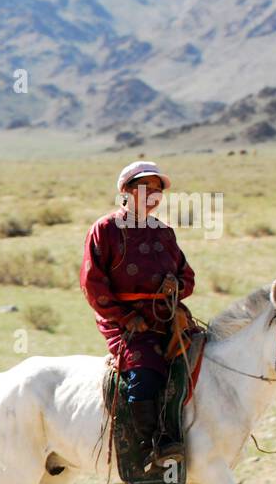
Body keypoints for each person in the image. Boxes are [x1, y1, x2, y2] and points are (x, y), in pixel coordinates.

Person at [80, 160, 196, 468]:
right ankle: (150, 446)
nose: (153, 196)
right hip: (126, 321)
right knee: (144, 370)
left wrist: (176, 285)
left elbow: (189, 278)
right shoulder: (104, 230)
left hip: (167, 317)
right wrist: (124, 316)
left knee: (202, 356)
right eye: (145, 188)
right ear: (126, 191)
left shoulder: (165, 233)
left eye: (157, 190)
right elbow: (93, 285)